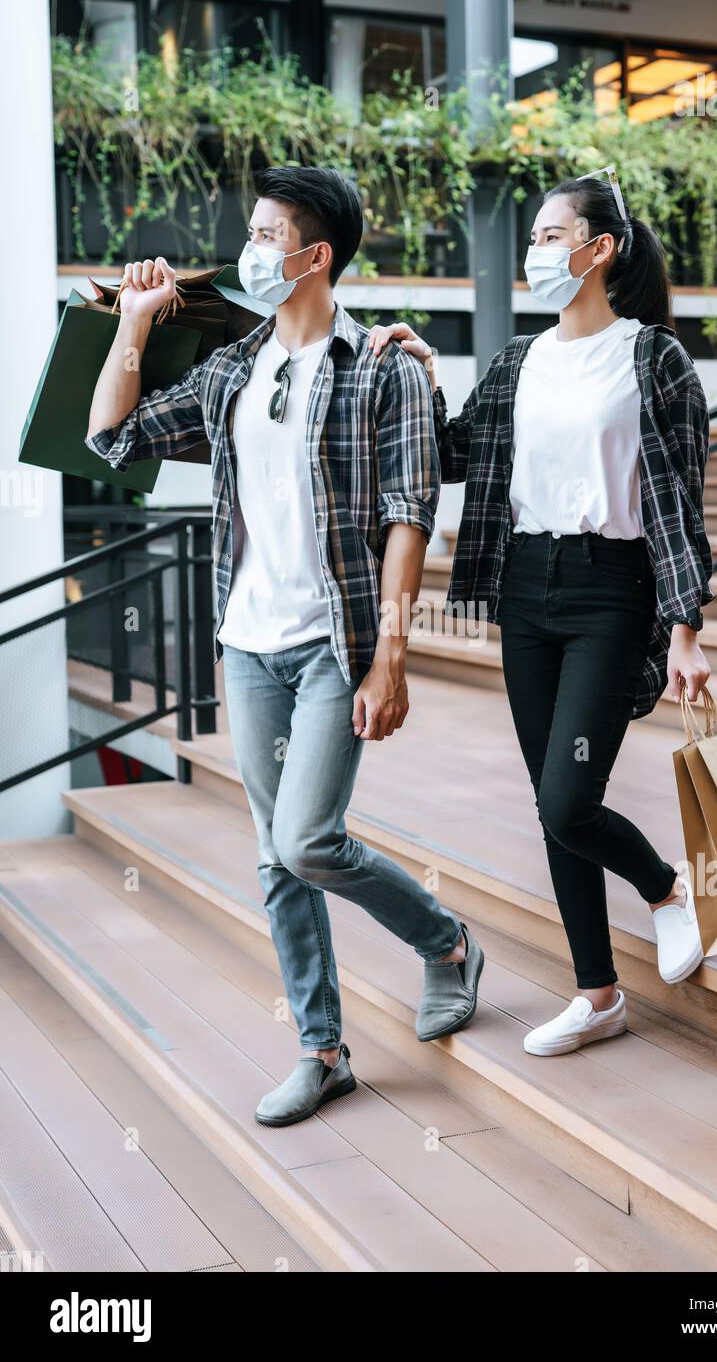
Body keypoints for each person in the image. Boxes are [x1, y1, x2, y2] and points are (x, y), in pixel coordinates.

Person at [85, 165, 484, 1125]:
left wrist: (393, 654)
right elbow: (111, 438)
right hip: (246, 643)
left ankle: (446, 942)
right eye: (252, 230)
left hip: (334, 642)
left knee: (306, 839)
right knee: (276, 854)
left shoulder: (386, 367)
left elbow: (409, 514)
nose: (249, 247)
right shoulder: (234, 366)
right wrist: (134, 323)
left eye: (268, 234)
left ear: (316, 256)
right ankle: (323, 1050)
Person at [369, 166, 713, 1058]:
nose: (536, 253)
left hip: (612, 585)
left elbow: (679, 499)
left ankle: (667, 891)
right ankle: (597, 995)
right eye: (534, 238)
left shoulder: (652, 357)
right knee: (553, 802)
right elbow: (454, 455)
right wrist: (420, 374)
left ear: (599, 250)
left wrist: (684, 628)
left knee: (569, 796)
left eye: (551, 236)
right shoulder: (519, 360)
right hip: (525, 585)